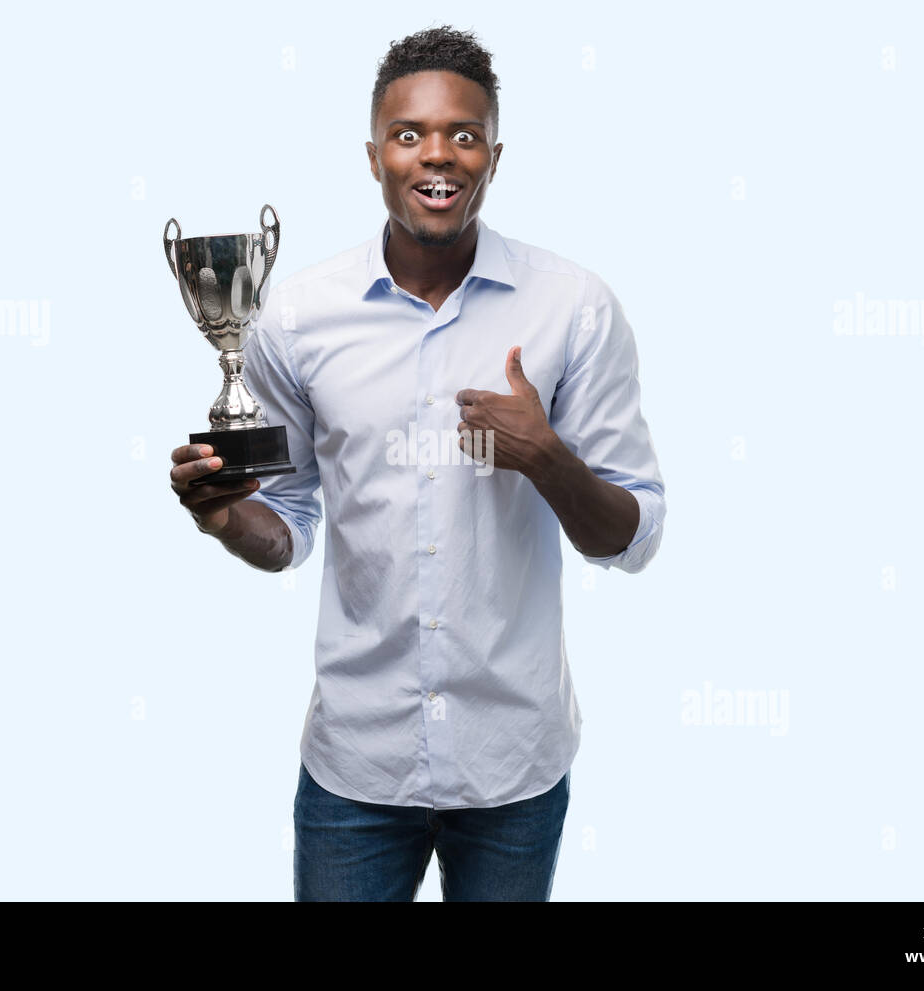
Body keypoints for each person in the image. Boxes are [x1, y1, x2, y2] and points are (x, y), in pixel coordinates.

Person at [168, 25, 666, 901]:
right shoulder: (296, 319)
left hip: (513, 765)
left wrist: (545, 455)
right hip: (356, 768)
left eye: (463, 134)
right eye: (409, 135)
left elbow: (631, 535)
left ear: (495, 155)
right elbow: (287, 528)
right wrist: (223, 515)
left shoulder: (573, 309)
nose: (437, 155)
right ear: (373, 156)